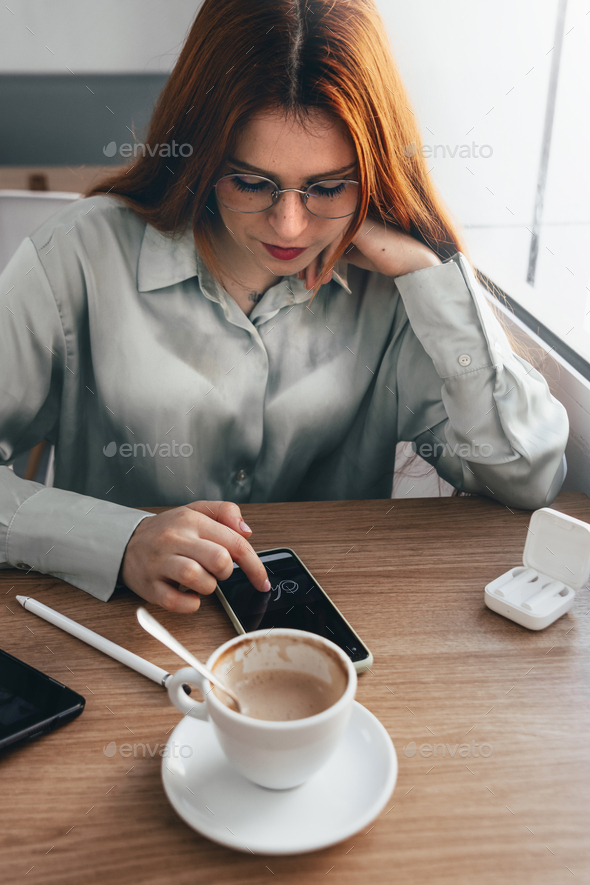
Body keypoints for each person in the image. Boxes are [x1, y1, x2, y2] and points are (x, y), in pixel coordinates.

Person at [0, 0, 569, 614]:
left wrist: (427, 275)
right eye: (250, 182)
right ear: (200, 157)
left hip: (331, 634)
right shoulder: (76, 255)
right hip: (118, 625)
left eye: (329, 187)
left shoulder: (404, 294)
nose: (290, 225)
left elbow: (524, 479)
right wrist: (122, 540)